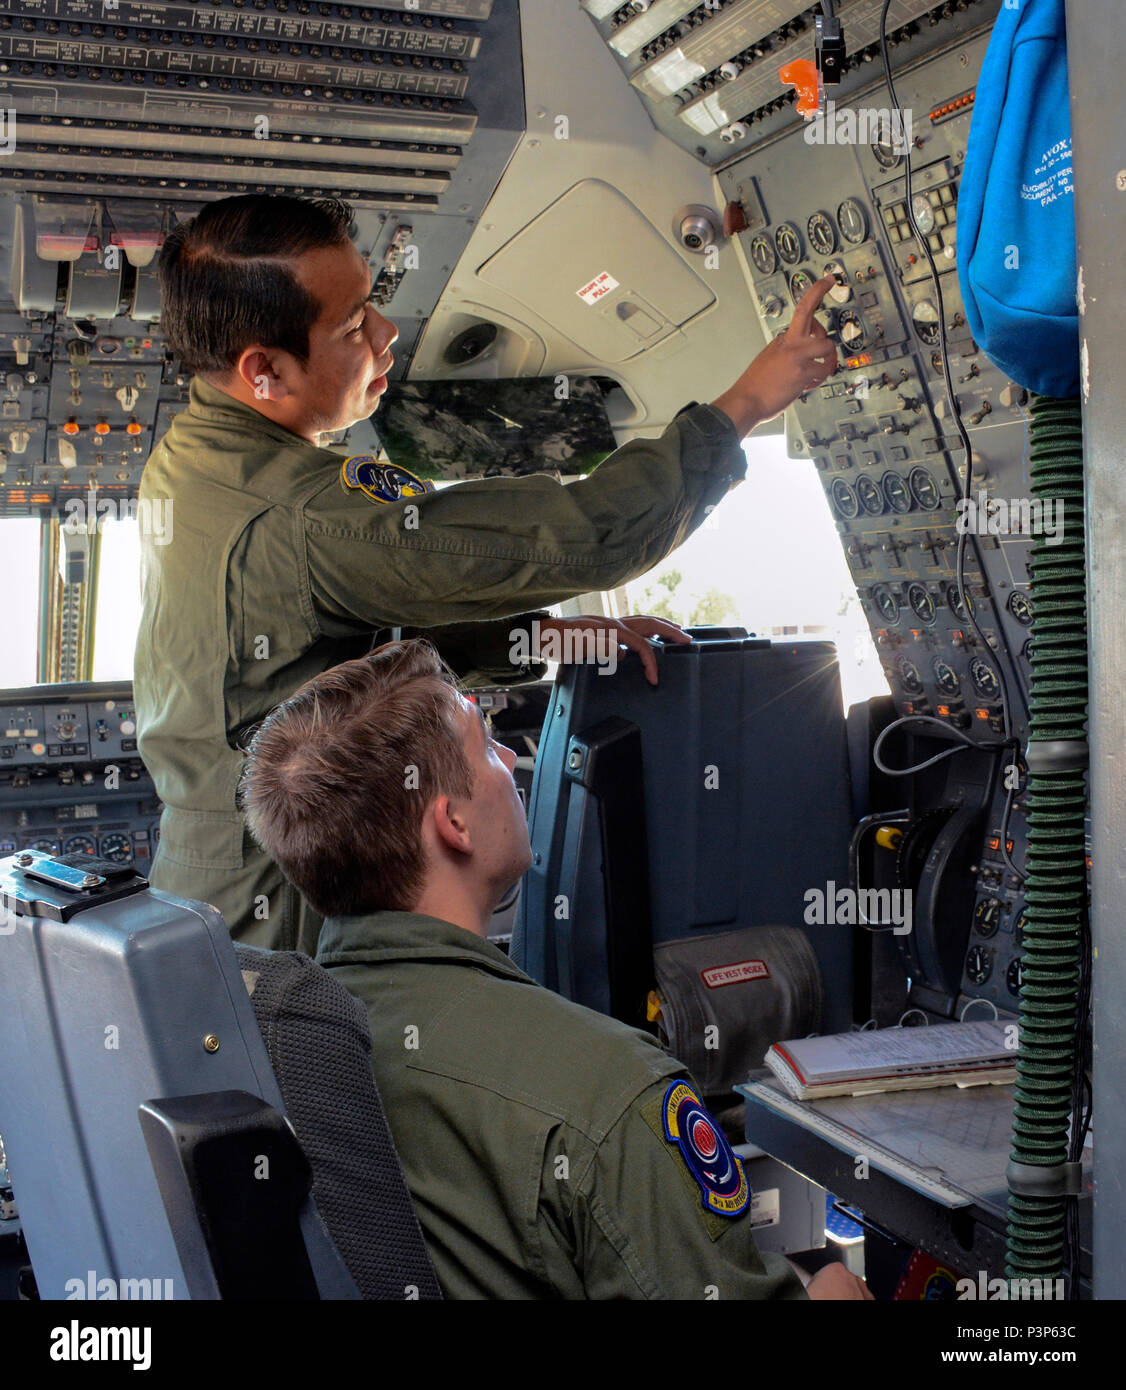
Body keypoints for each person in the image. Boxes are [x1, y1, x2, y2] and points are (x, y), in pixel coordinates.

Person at [134, 193, 837, 953]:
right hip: (275, 919)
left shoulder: (196, 457)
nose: (385, 332)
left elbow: (338, 648)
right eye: (351, 326)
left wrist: (541, 639)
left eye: (372, 304)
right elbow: (581, 537)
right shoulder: (301, 510)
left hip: (211, 894)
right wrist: (747, 404)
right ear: (263, 370)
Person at [240, 639, 872, 1301]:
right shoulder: (614, 1090)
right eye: (485, 745)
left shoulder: (282, 1035)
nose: (510, 756)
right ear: (453, 822)